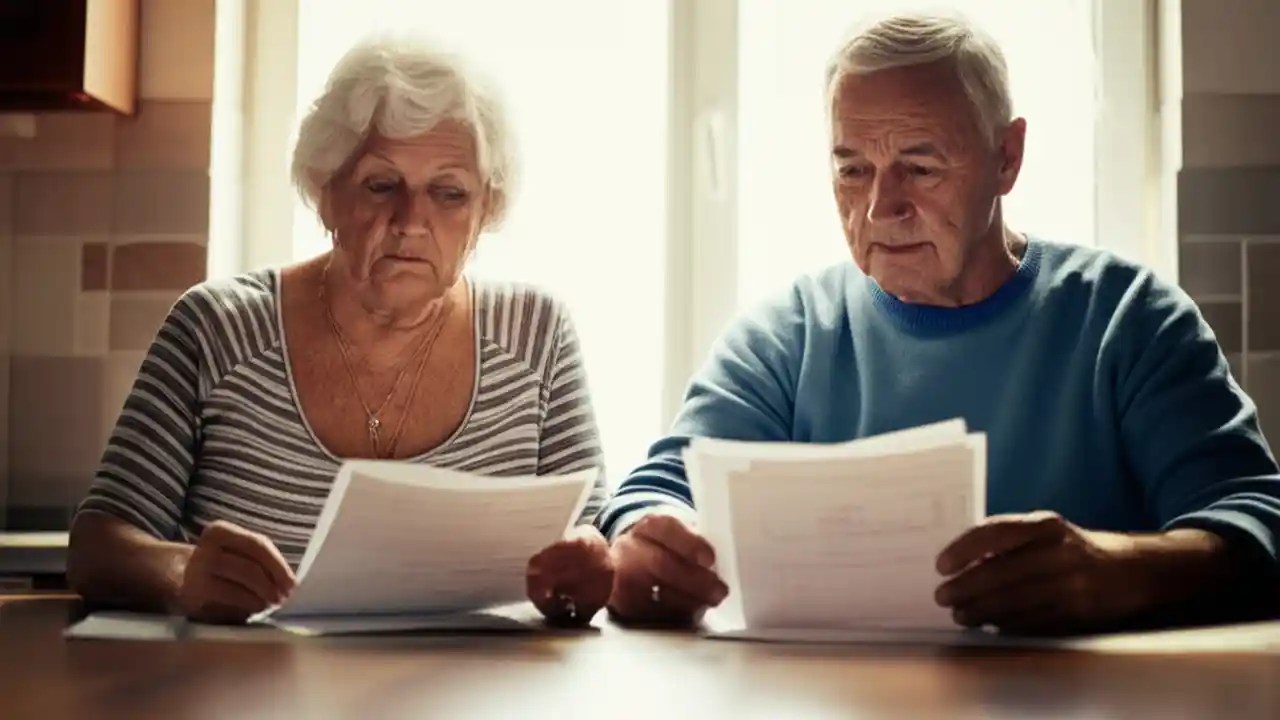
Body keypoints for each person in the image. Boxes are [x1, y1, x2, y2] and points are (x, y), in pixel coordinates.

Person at [600, 13, 1280, 634]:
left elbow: (1257, 520)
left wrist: (1116, 572)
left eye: (919, 168)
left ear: (1007, 158)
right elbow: (655, 494)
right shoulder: (785, 337)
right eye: (852, 170)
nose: (877, 209)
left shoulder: (1127, 319)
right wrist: (651, 544)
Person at [66, 36, 613, 625]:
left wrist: (592, 563)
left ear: (485, 212)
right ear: (326, 194)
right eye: (381, 184)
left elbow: (596, 533)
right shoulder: (216, 327)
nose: (410, 221)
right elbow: (98, 545)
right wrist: (179, 572)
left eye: (449, 192)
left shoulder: (538, 337)